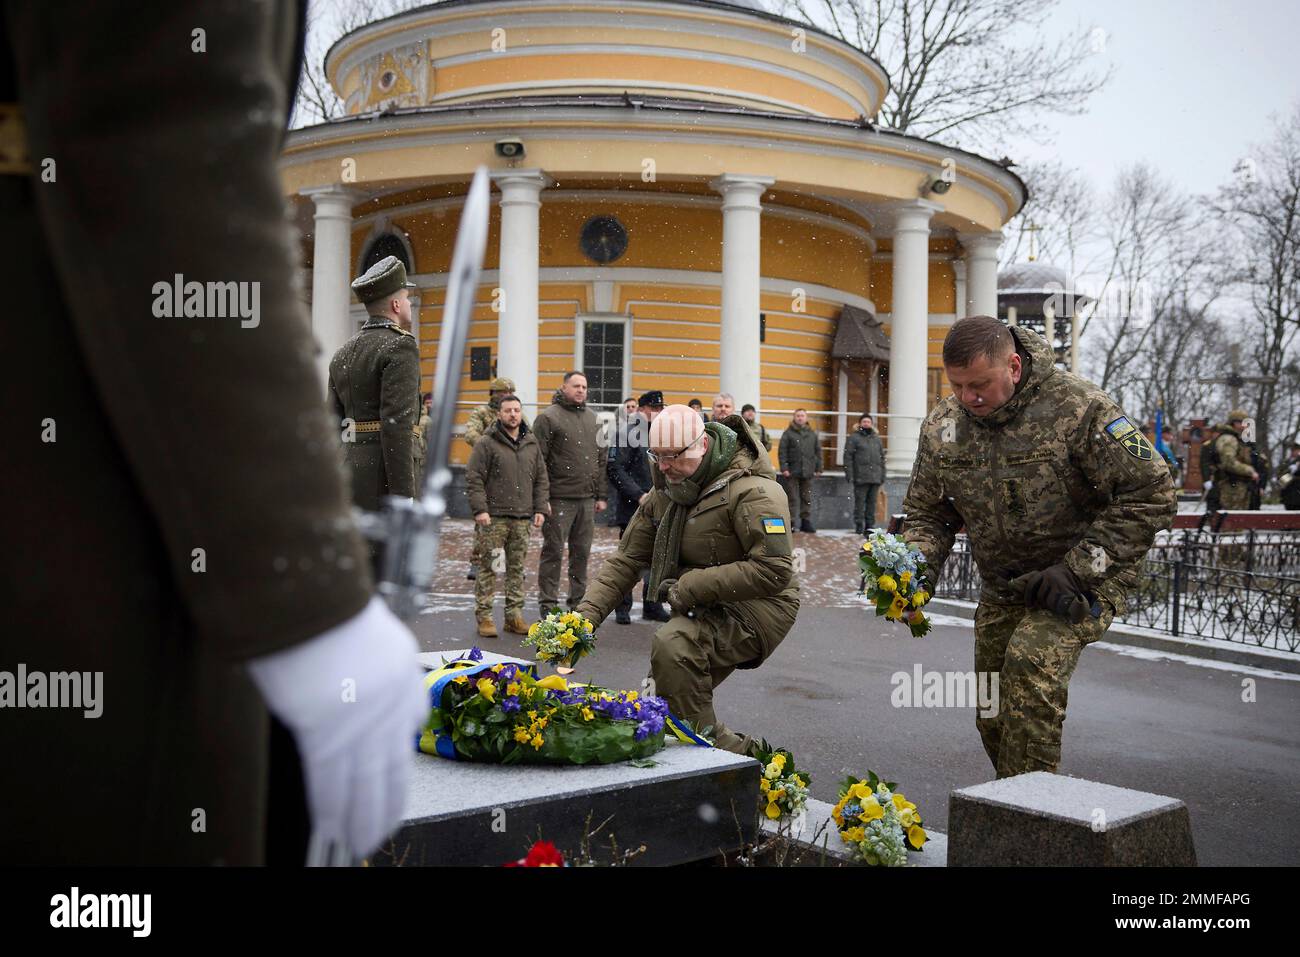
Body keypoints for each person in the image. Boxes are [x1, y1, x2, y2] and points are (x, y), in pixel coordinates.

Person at [3, 2, 425, 864]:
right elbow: (166, 130)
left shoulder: (351, 348)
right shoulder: (393, 353)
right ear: (397, 301)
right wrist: (306, 599)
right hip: (101, 475)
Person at [902, 316, 1176, 780]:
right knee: (992, 712)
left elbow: (1153, 492)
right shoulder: (944, 426)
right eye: (959, 385)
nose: (970, 398)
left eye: (981, 384)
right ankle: (1014, 803)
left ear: (1013, 365)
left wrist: (1077, 570)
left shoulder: (1080, 408)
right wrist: (916, 570)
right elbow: (930, 513)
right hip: (1004, 584)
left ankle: (1028, 821)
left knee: (1030, 668)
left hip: (1079, 581)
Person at [575, 406, 799, 755]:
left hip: (760, 606)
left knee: (675, 646)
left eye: (672, 457)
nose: (662, 467)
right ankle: (703, 760)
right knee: (662, 691)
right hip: (705, 601)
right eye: (657, 456)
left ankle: (739, 762)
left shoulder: (755, 492)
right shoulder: (667, 489)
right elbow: (628, 558)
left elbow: (773, 570)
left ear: (702, 446)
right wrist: (582, 621)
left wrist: (688, 587)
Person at [328, 255, 421, 512]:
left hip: (348, 473)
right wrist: (403, 494)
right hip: (385, 478)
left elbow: (331, 424)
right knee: (391, 553)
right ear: (395, 304)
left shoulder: (342, 353)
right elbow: (396, 424)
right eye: (406, 299)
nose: (408, 304)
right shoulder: (400, 345)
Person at [466, 395, 549, 638]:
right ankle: (485, 617)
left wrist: (540, 508)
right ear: (499, 414)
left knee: (516, 569)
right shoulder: (486, 443)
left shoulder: (531, 443)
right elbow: (474, 478)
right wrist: (480, 509)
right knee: (490, 566)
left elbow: (541, 479)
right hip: (494, 518)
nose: (513, 414)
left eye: (516, 410)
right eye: (508, 411)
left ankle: (514, 617)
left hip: (523, 517)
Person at [532, 372, 608, 613]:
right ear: (564, 387)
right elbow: (537, 462)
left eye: (584, 386)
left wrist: (601, 495)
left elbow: (601, 460)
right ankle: (548, 606)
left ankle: (578, 605)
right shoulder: (547, 417)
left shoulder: (594, 419)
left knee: (581, 555)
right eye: (576, 386)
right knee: (553, 553)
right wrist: (542, 500)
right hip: (558, 499)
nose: (581, 390)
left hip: (586, 500)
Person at [607, 390, 671, 624]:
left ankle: (652, 604)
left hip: (658, 505)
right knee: (629, 560)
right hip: (634, 506)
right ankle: (622, 607)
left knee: (657, 558)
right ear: (642, 409)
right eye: (655, 408)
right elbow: (615, 468)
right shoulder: (628, 432)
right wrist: (639, 495)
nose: (659, 412)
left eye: (661, 408)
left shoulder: (659, 433)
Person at [463, 376, 522, 580]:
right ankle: (477, 562)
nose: (507, 395)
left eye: (510, 392)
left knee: (512, 525)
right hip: (488, 473)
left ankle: (507, 565)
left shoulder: (514, 413)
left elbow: (526, 435)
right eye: (503, 392)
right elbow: (469, 433)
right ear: (494, 394)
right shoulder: (482, 412)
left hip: (510, 474)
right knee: (484, 522)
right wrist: (490, 447)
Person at [779, 408, 822, 533]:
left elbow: (818, 451)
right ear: (794, 417)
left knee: (806, 498)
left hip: (808, 471)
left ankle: (805, 522)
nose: (800, 418)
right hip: (792, 471)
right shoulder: (788, 433)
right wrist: (784, 468)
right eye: (798, 415)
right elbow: (782, 452)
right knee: (792, 498)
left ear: (806, 418)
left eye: (802, 415)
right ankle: (791, 522)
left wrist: (819, 467)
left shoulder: (812, 434)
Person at [844, 414, 885, 535]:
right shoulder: (853, 438)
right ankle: (859, 525)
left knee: (872, 503)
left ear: (871, 424)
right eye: (864, 421)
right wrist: (849, 474)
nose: (866, 423)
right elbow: (848, 457)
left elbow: (882, 458)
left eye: (868, 421)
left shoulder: (876, 438)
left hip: (875, 477)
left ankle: (870, 526)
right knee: (860, 503)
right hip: (860, 477)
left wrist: (882, 474)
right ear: (860, 423)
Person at [1211, 410, 1259, 510]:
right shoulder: (1229, 439)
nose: (1246, 426)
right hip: (1231, 487)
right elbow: (1228, 462)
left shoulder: (1236, 438)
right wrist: (1249, 471)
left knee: (1238, 520)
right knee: (1232, 520)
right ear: (1236, 423)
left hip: (1237, 486)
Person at [413, 392, 432, 488]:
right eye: (427, 402)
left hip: (420, 456)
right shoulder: (426, 420)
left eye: (431, 403)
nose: (429, 405)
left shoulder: (417, 417)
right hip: (423, 456)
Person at [1279, 442, 1300, 510]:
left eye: (1295, 450)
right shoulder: (1286, 461)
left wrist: (1294, 475)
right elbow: (1280, 474)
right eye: (1292, 450)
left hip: (1297, 492)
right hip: (1287, 493)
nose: (1293, 452)